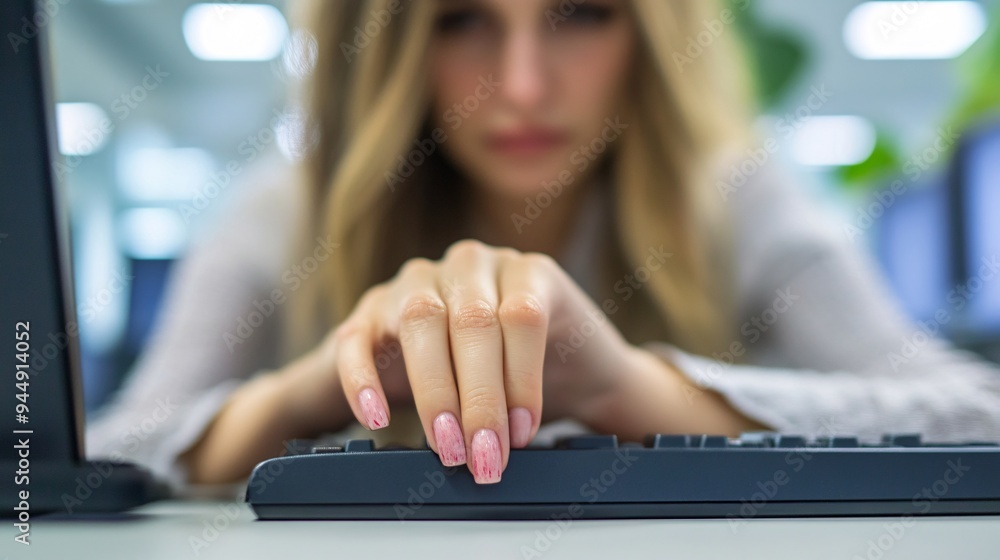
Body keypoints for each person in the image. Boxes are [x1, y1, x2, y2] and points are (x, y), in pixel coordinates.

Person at [87, 0, 1000, 489]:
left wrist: (624, 388)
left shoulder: (733, 197)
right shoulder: (289, 211)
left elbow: (977, 418)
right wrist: (311, 392)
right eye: (461, 20)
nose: (522, 84)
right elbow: (87, 464)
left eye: (581, 12)